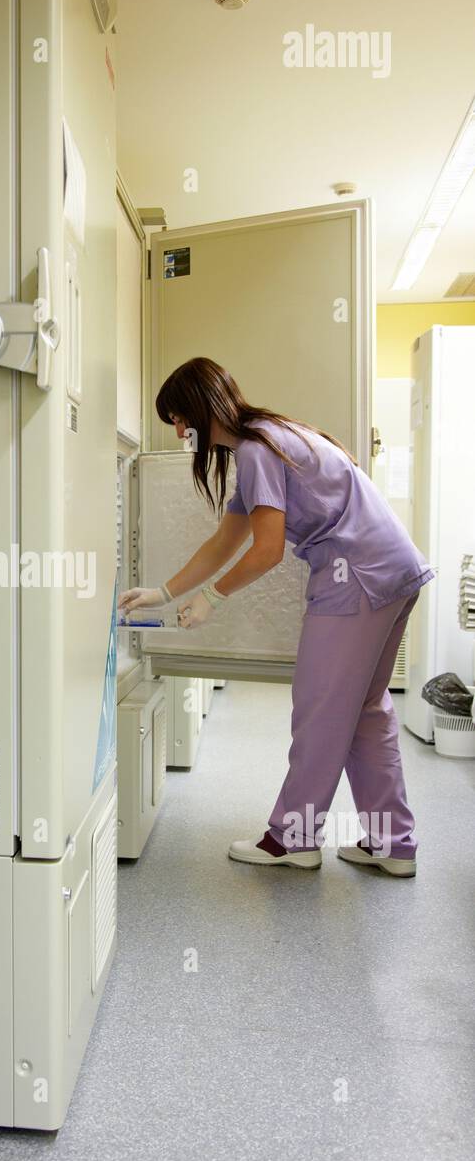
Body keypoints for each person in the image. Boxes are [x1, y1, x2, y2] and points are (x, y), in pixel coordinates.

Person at [118, 357, 434, 878]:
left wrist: (212, 599)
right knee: (365, 710)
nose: (178, 431)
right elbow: (228, 538)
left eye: (178, 417)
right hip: (391, 569)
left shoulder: (256, 449)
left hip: (354, 577)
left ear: (200, 407)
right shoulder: (271, 436)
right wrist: (163, 592)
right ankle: (391, 843)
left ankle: (292, 838)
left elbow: (265, 551)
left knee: (321, 709)